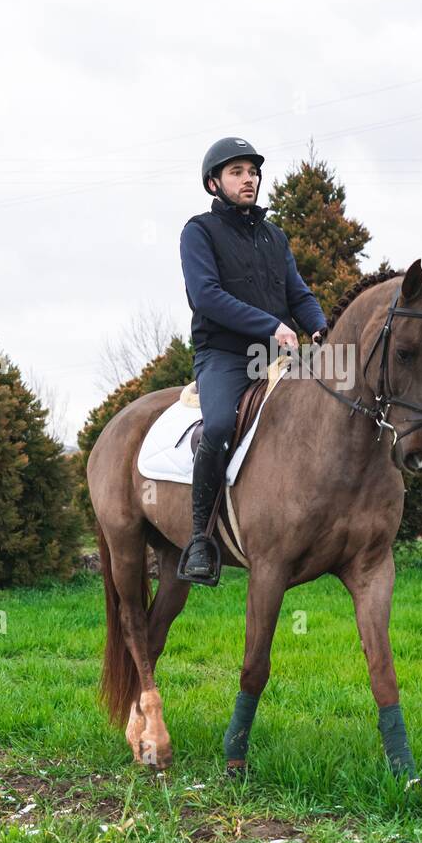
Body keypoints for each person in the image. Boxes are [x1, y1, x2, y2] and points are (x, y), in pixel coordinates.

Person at [177, 137, 328, 584]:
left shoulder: (273, 235)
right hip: (223, 355)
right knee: (220, 426)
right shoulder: (198, 232)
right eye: (238, 172)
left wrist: (320, 326)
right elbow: (206, 297)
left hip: (276, 356)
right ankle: (200, 539)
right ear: (214, 183)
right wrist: (269, 325)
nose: (250, 179)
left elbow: (297, 293)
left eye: (253, 171)